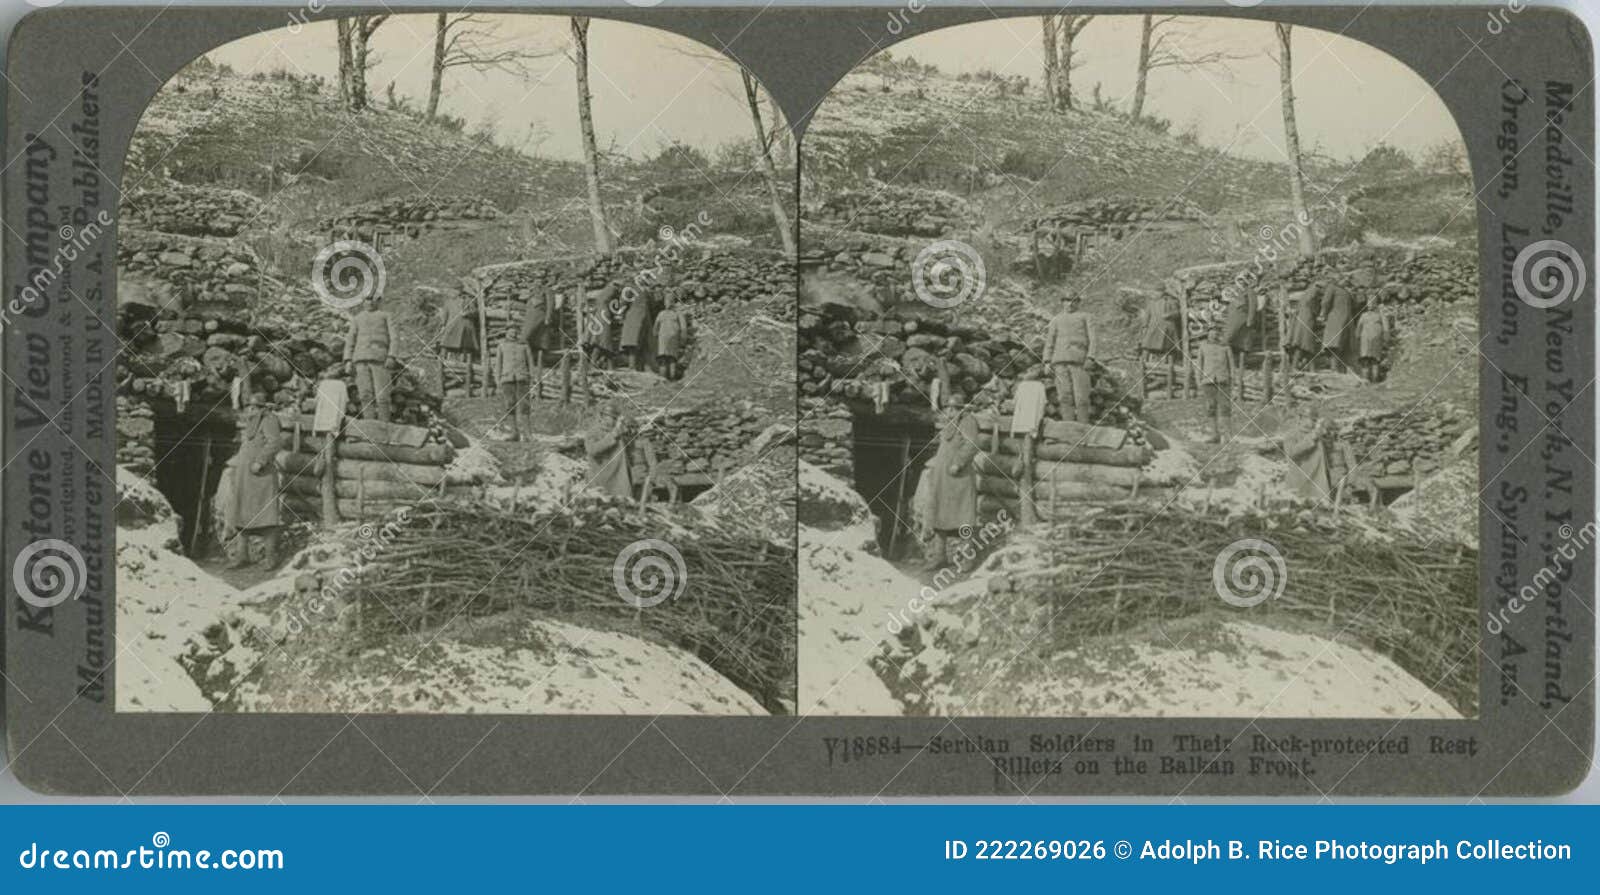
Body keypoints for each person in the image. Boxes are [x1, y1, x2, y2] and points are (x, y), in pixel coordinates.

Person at [226, 387, 283, 569]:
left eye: (256, 407)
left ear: (264, 407)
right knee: (242, 515)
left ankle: (270, 558)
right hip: (245, 477)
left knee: (266, 516)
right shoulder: (252, 422)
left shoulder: (270, 420)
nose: (252, 410)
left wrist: (260, 461)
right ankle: (242, 556)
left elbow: (274, 443)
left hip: (261, 476)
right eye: (250, 407)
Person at [922, 391, 979, 571]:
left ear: (962, 409)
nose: (951, 411)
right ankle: (940, 556)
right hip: (943, 479)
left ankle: (967, 558)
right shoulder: (949, 424)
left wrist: (958, 463)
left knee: (964, 517)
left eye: (955, 408)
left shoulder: (968, 421)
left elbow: (971, 445)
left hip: (959, 478)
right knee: (940, 514)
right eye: (949, 408)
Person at [343, 292, 401, 421]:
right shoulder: (357, 318)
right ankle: (369, 425)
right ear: (363, 302)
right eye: (367, 300)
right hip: (360, 361)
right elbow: (350, 340)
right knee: (365, 395)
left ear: (379, 301)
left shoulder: (386, 316)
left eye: (373, 300)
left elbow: (395, 338)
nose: (370, 302)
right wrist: (347, 360)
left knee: (383, 396)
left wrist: (392, 356)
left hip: (380, 360)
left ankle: (383, 426)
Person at [1041, 288, 1096, 424]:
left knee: (1081, 398)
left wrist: (1091, 357)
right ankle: (1068, 427)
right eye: (1066, 301)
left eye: (1073, 301)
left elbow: (1093, 339)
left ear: (1078, 303)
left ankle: (1082, 429)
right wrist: (1047, 361)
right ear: (1062, 303)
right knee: (1064, 397)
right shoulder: (1056, 320)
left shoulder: (1085, 317)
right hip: (1059, 363)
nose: (1070, 304)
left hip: (1079, 362)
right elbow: (1050, 341)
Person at [1139, 281, 1182, 398]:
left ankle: (1168, 372)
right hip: (1153, 330)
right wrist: (1144, 326)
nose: (1156, 294)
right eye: (1155, 291)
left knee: (1168, 349)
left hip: (1168, 329)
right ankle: (1147, 371)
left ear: (1163, 292)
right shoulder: (1151, 303)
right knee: (1147, 347)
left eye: (1158, 291)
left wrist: (1169, 315)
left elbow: (1178, 313)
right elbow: (1147, 316)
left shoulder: (1170, 301)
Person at [584, 400, 634, 498]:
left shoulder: (618, 432)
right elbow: (592, 450)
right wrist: (614, 434)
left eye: (615, 418)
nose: (613, 421)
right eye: (611, 418)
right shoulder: (593, 432)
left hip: (619, 480)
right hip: (602, 480)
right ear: (602, 417)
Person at [494, 332, 534, 442]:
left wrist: (532, 377)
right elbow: (498, 365)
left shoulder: (524, 346)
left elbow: (530, 363)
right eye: (510, 331)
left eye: (515, 330)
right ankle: (514, 433)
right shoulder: (501, 346)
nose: (513, 333)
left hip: (522, 378)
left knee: (525, 405)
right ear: (506, 333)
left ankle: (527, 434)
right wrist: (498, 381)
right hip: (507, 379)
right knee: (509, 405)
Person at [438, 293, 480, 397]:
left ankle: (465, 382)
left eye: (458, 290)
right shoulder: (448, 302)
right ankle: (448, 379)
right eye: (454, 290)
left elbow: (476, 312)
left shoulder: (469, 299)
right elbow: (444, 316)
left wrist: (467, 314)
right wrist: (443, 326)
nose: (456, 293)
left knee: (466, 354)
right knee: (448, 352)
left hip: (466, 330)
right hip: (452, 330)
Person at [1197, 324, 1233, 444]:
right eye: (1212, 332)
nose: (1214, 334)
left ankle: (1226, 436)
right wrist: (1199, 380)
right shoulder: (1203, 347)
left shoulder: (1225, 347)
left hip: (1223, 380)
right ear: (1207, 333)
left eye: (1217, 332)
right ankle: (1214, 435)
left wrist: (1232, 379)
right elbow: (1199, 365)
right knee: (1210, 407)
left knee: (1225, 407)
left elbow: (1231, 366)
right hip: (1208, 381)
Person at [1319, 276, 1357, 372]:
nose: (1346, 282)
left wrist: (1322, 314)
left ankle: (1338, 370)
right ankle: (1338, 370)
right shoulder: (1340, 290)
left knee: (1339, 346)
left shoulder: (1339, 290)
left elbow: (1326, 302)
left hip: (1342, 320)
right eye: (1345, 280)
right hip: (1342, 320)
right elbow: (1326, 302)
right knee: (1338, 345)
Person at [653, 293, 692, 382]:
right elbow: (656, 327)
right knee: (663, 357)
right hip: (662, 338)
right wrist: (655, 335)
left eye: (670, 301)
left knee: (672, 358)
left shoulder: (678, 313)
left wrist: (683, 339)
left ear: (673, 302)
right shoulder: (661, 314)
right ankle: (663, 379)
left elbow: (683, 327)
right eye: (666, 301)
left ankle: (672, 378)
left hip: (673, 338)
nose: (667, 303)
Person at [619, 283, 655, 372]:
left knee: (632, 343)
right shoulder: (646, 290)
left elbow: (623, 303)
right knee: (643, 342)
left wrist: (621, 315)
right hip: (646, 317)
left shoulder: (630, 287)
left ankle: (632, 367)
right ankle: (646, 367)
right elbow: (653, 304)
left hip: (634, 316)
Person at [1286, 284, 1321, 371]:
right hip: (1307, 324)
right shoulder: (1313, 295)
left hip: (1301, 326)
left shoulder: (1305, 297)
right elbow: (1315, 309)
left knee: (1304, 345)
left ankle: (1308, 368)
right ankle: (1298, 367)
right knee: (1305, 346)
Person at [1356, 299, 1391, 383]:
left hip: (1376, 339)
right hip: (1365, 340)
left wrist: (1386, 337)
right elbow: (1359, 328)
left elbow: (1386, 327)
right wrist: (1357, 337)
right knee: (1365, 360)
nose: (1370, 305)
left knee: (1375, 360)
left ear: (1376, 304)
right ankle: (1365, 381)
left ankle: (1375, 381)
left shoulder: (1380, 315)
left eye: (1372, 303)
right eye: (1368, 303)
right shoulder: (1363, 315)